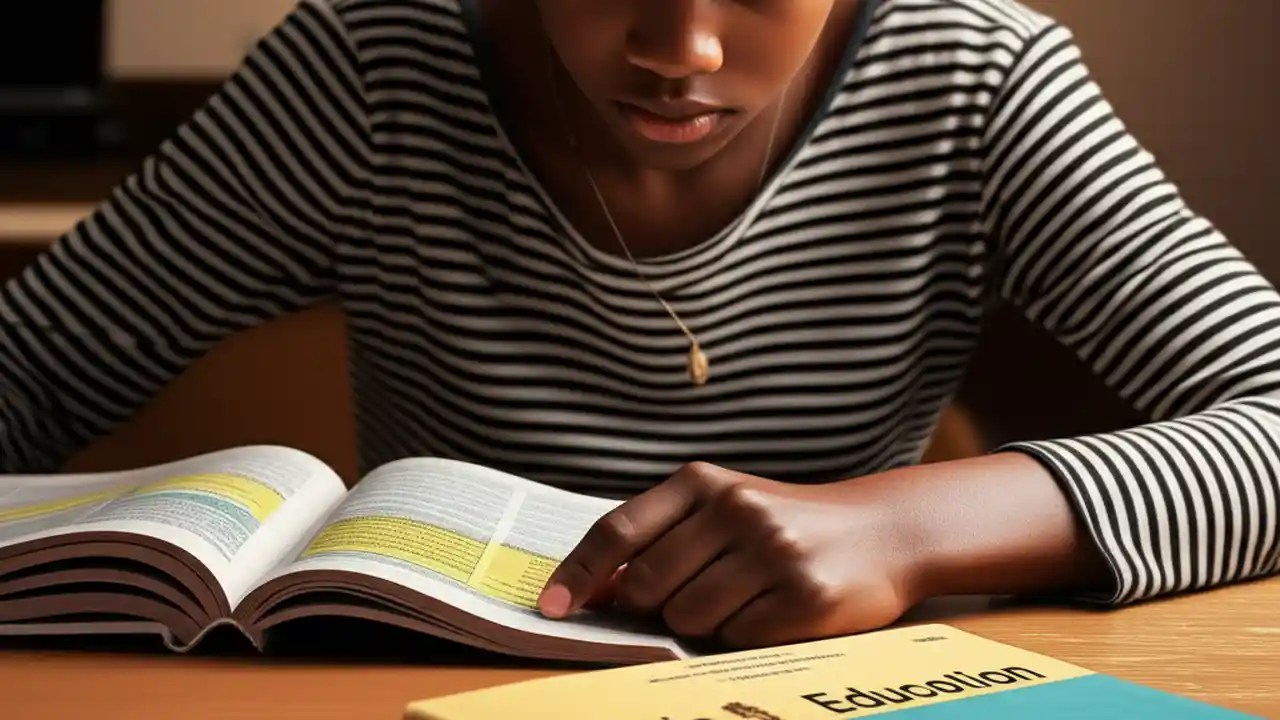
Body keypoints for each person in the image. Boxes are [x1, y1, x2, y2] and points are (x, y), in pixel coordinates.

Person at [2, 0, 1276, 650]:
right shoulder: (367, 72)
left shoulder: (972, 83)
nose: (684, 49)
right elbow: (28, 370)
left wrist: (907, 525)